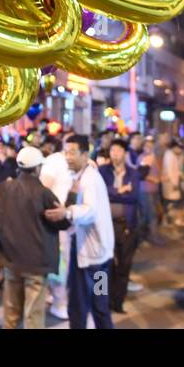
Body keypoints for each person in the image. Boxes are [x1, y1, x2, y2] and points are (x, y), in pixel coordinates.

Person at [0, 145, 68, 329]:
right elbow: (62, 222)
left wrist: (1, 233)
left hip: (11, 260)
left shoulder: (3, 188)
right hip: (37, 262)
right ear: (37, 168)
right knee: (33, 315)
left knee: (11, 313)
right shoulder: (43, 193)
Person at [61, 134, 115, 329]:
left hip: (93, 259)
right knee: (93, 305)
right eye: (65, 152)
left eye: (72, 152)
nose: (68, 156)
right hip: (94, 255)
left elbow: (90, 211)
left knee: (84, 304)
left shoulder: (90, 178)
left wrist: (66, 212)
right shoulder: (81, 174)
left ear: (85, 154)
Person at [100, 137, 140, 313]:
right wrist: (119, 190)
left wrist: (113, 194)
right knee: (103, 264)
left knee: (124, 264)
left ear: (124, 153)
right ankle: (101, 301)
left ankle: (118, 301)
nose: (114, 153)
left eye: (118, 150)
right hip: (105, 225)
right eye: (112, 150)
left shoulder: (133, 173)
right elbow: (100, 192)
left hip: (126, 225)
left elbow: (134, 197)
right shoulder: (102, 171)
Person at [39, 140, 74, 321]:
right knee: (61, 264)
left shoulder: (85, 165)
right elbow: (44, 190)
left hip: (72, 222)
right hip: (58, 222)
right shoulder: (54, 161)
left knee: (66, 263)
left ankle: (57, 297)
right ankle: (59, 302)